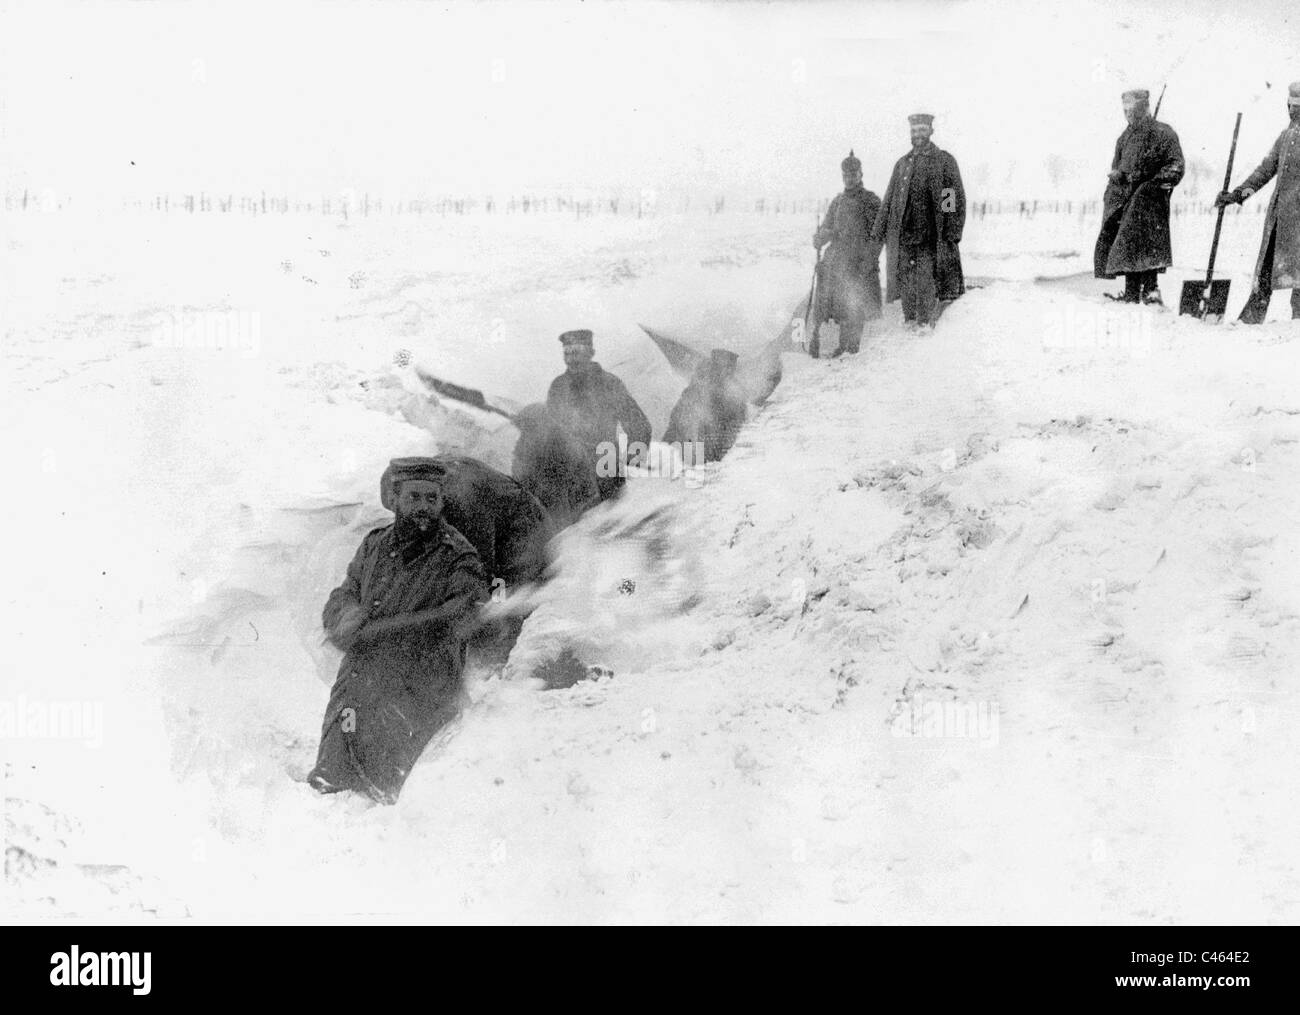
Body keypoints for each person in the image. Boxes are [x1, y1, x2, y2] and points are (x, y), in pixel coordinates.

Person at [308, 458, 489, 804]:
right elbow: (345, 592)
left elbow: (458, 616)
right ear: (395, 499)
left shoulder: (459, 556)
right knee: (331, 781)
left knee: (386, 792)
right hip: (359, 683)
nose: (424, 507)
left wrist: (373, 633)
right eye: (415, 497)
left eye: (432, 499)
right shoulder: (374, 545)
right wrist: (345, 616)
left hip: (419, 685)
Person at [871, 113, 966, 327]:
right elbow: (889, 199)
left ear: (931, 131)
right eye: (914, 131)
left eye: (922, 130)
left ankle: (925, 325)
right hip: (904, 235)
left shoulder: (943, 161)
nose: (918, 135)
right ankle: (910, 321)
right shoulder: (902, 164)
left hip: (930, 236)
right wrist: (878, 230)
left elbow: (949, 195)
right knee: (905, 280)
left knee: (926, 281)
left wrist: (950, 229)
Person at [1217, 81, 1300, 323]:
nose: (1291, 110)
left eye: (1296, 107)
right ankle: (1252, 319)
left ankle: (1298, 323)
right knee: (1265, 268)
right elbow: (1265, 170)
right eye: (1289, 105)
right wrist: (1239, 193)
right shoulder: (1286, 136)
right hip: (1279, 217)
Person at [1094, 88, 1185, 305]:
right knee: (1126, 244)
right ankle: (1132, 292)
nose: (1127, 113)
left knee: (1145, 245)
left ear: (1144, 107)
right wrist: (1118, 178)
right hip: (1125, 198)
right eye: (1124, 109)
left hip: (1150, 201)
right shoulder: (1124, 138)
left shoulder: (1163, 132)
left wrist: (1153, 183)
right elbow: (1117, 167)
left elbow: (1176, 166)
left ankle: (1151, 290)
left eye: (1131, 109)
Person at [545, 329, 652, 501]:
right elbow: (549, 432)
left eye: (577, 352)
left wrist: (633, 466)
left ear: (591, 353)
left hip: (607, 474)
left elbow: (639, 426)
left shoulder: (609, 383)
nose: (572, 359)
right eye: (567, 353)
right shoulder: (558, 388)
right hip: (572, 481)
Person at [811, 150, 882, 356]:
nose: (849, 179)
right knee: (839, 306)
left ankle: (851, 348)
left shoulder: (870, 200)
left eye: (853, 175)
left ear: (861, 175)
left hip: (858, 262)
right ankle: (840, 347)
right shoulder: (837, 201)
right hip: (837, 263)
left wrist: (869, 260)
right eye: (846, 176)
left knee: (854, 307)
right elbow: (826, 227)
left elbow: (878, 235)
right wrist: (820, 238)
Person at [511, 403, 602, 530]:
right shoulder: (529, 444)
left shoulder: (563, 448)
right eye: (523, 430)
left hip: (574, 517)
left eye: (529, 428)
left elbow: (559, 499)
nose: (523, 436)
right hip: (547, 510)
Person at [662, 349, 748, 461]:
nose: (722, 371)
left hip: (707, 452)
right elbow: (677, 418)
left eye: (726, 367)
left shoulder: (735, 395)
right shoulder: (700, 385)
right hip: (685, 446)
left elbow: (732, 431)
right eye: (717, 366)